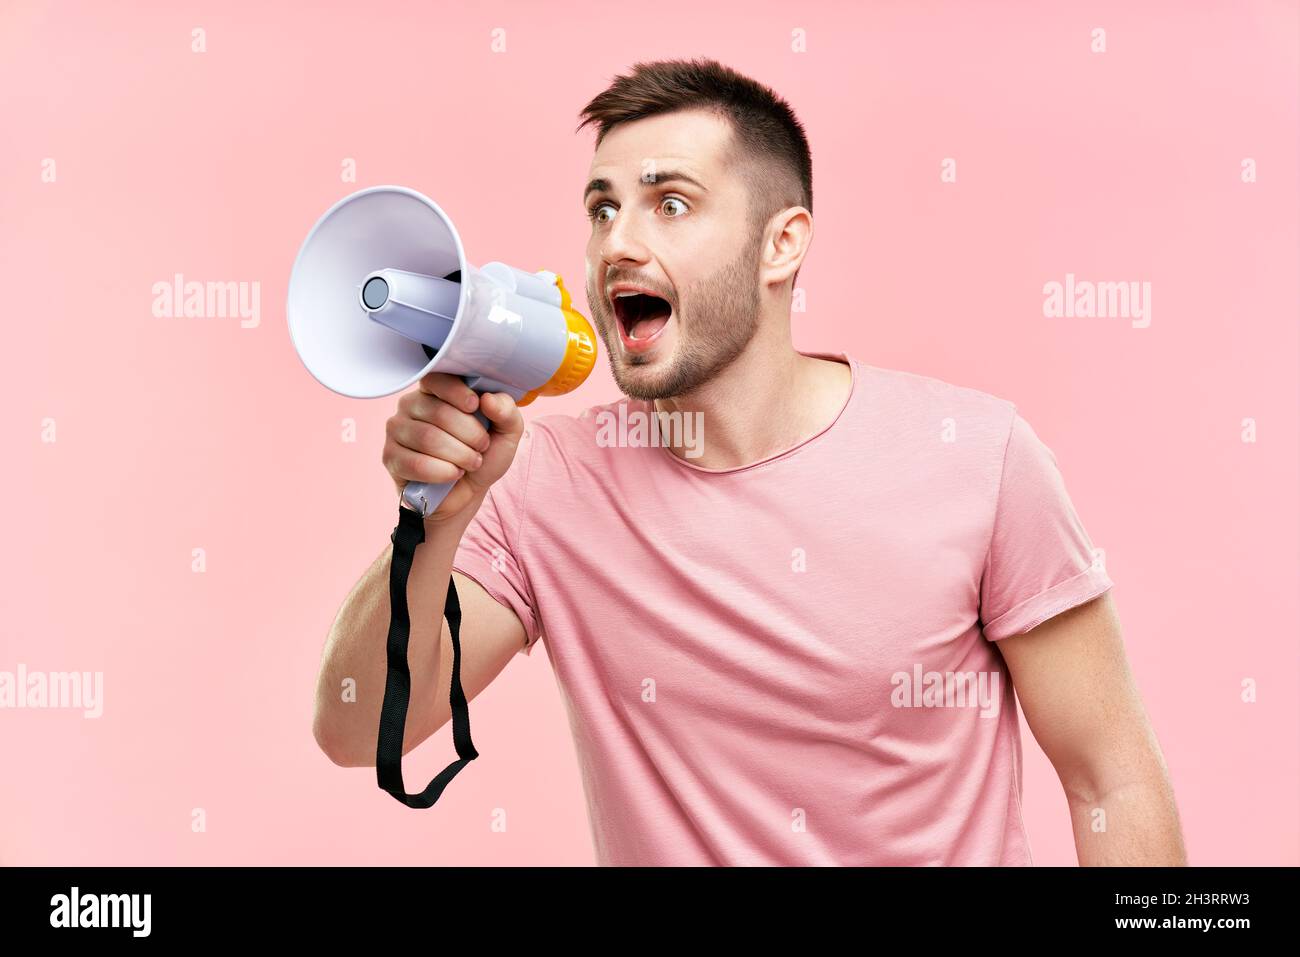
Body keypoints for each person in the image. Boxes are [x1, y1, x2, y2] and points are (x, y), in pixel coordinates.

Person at [312, 57, 1187, 867]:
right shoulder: (544, 483)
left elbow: (1111, 777)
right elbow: (358, 731)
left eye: (671, 203)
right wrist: (437, 512)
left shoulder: (981, 458)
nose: (616, 242)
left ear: (782, 244)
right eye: (602, 208)